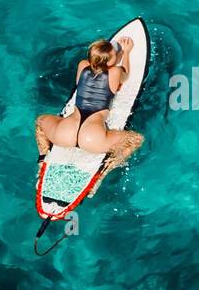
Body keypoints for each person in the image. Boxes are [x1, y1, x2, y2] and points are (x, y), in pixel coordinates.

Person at [35, 36, 144, 189]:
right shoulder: (116, 72)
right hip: (92, 138)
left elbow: (97, 70)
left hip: (65, 133)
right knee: (136, 139)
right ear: (109, 62)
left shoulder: (82, 65)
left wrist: (110, 58)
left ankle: (42, 159)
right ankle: (103, 173)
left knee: (41, 121)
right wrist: (125, 52)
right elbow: (125, 73)